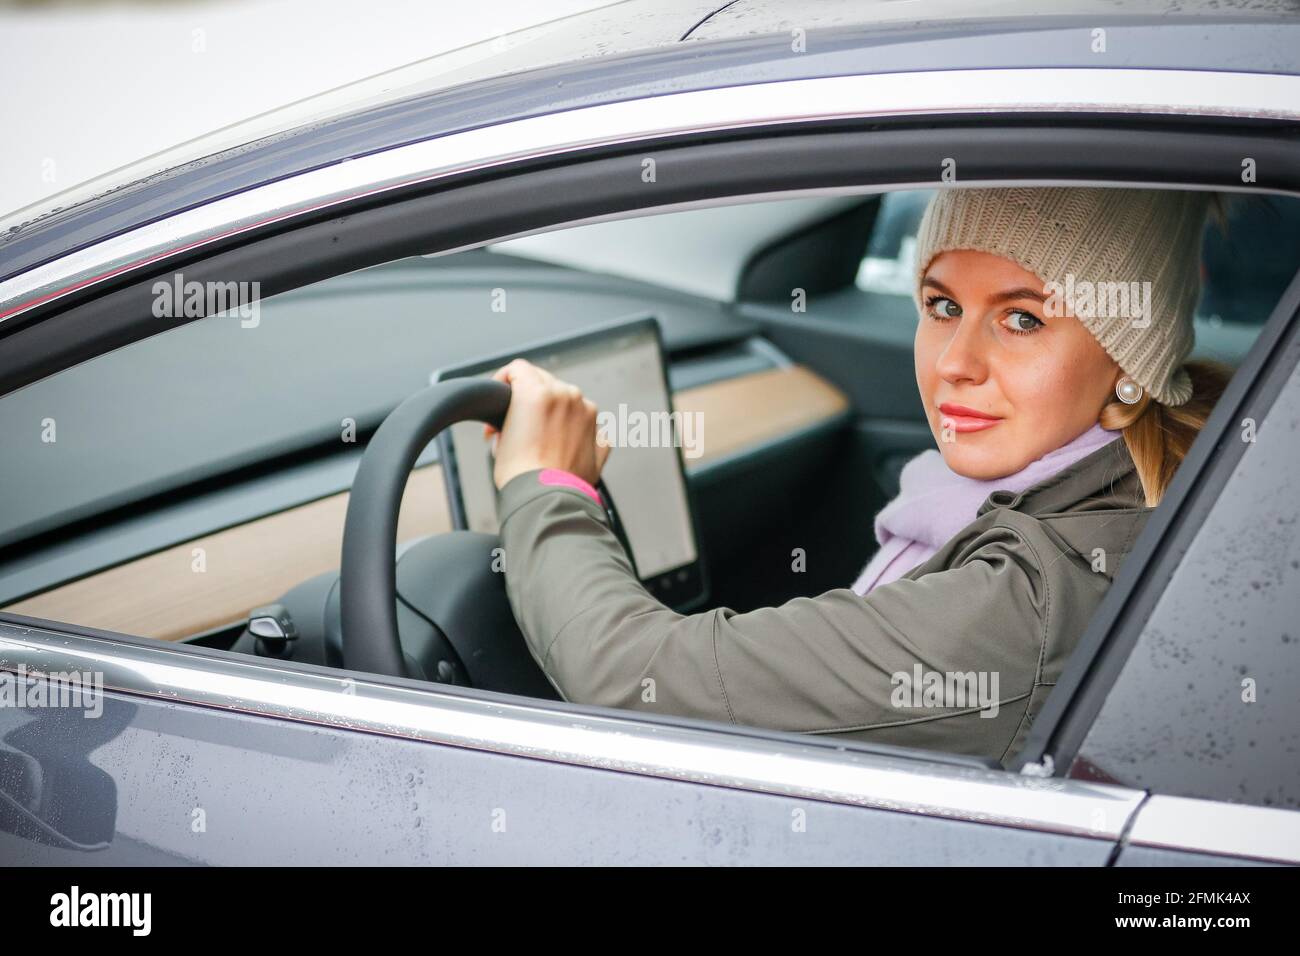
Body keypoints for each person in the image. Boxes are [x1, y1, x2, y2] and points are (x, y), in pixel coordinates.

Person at [483, 187, 1231, 765]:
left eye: (1023, 319)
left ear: (1132, 359)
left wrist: (549, 486)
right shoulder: (1120, 487)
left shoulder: (1031, 600)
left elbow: (631, 677)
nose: (954, 364)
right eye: (942, 305)